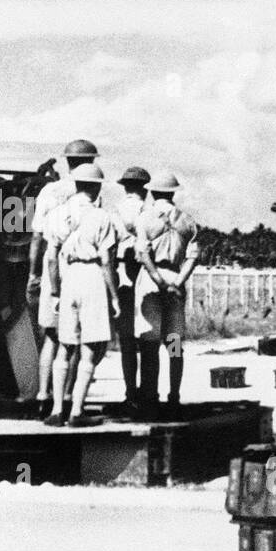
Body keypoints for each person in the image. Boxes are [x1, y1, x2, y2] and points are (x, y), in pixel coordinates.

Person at [44, 163, 120, 427]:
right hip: (93, 278)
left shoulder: (56, 214)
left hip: (68, 279)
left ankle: (56, 410)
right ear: (97, 186)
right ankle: (77, 412)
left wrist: (54, 292)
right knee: (89, 350)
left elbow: (51, 259)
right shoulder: (102, 217)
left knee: (64, 347)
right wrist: (114, 296)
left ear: (75, 184)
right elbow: (107, 260)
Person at [28, 139, 99, 415]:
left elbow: (37, 236)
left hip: (51, 265)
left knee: (51, 336)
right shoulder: (91, 191)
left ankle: (43, 396)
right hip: (81, 270)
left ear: (67, 161)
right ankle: (68, 397)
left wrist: (34, 273)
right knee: (77, 338)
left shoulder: (49, 190)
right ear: (90, 162)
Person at [134, 170, 200, 417]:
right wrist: (177, 282)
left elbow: (143, 254)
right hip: (176, 281)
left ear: (152, 191)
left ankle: (150, 396)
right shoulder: (188, 220)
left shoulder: (145, 218)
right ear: (173, 192)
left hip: (153, 281)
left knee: (149, 344)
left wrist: (159, 280)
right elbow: (193, 257)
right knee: (174, 344)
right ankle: (174, 395)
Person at [113, 166, 150, 413]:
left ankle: (130, 392)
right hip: (147, 280)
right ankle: (152, 391)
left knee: (127, 342)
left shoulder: (114, 211)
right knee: (151, 341)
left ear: (125, 187)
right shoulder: (149, 211)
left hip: (123, 280)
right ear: (144, 189)